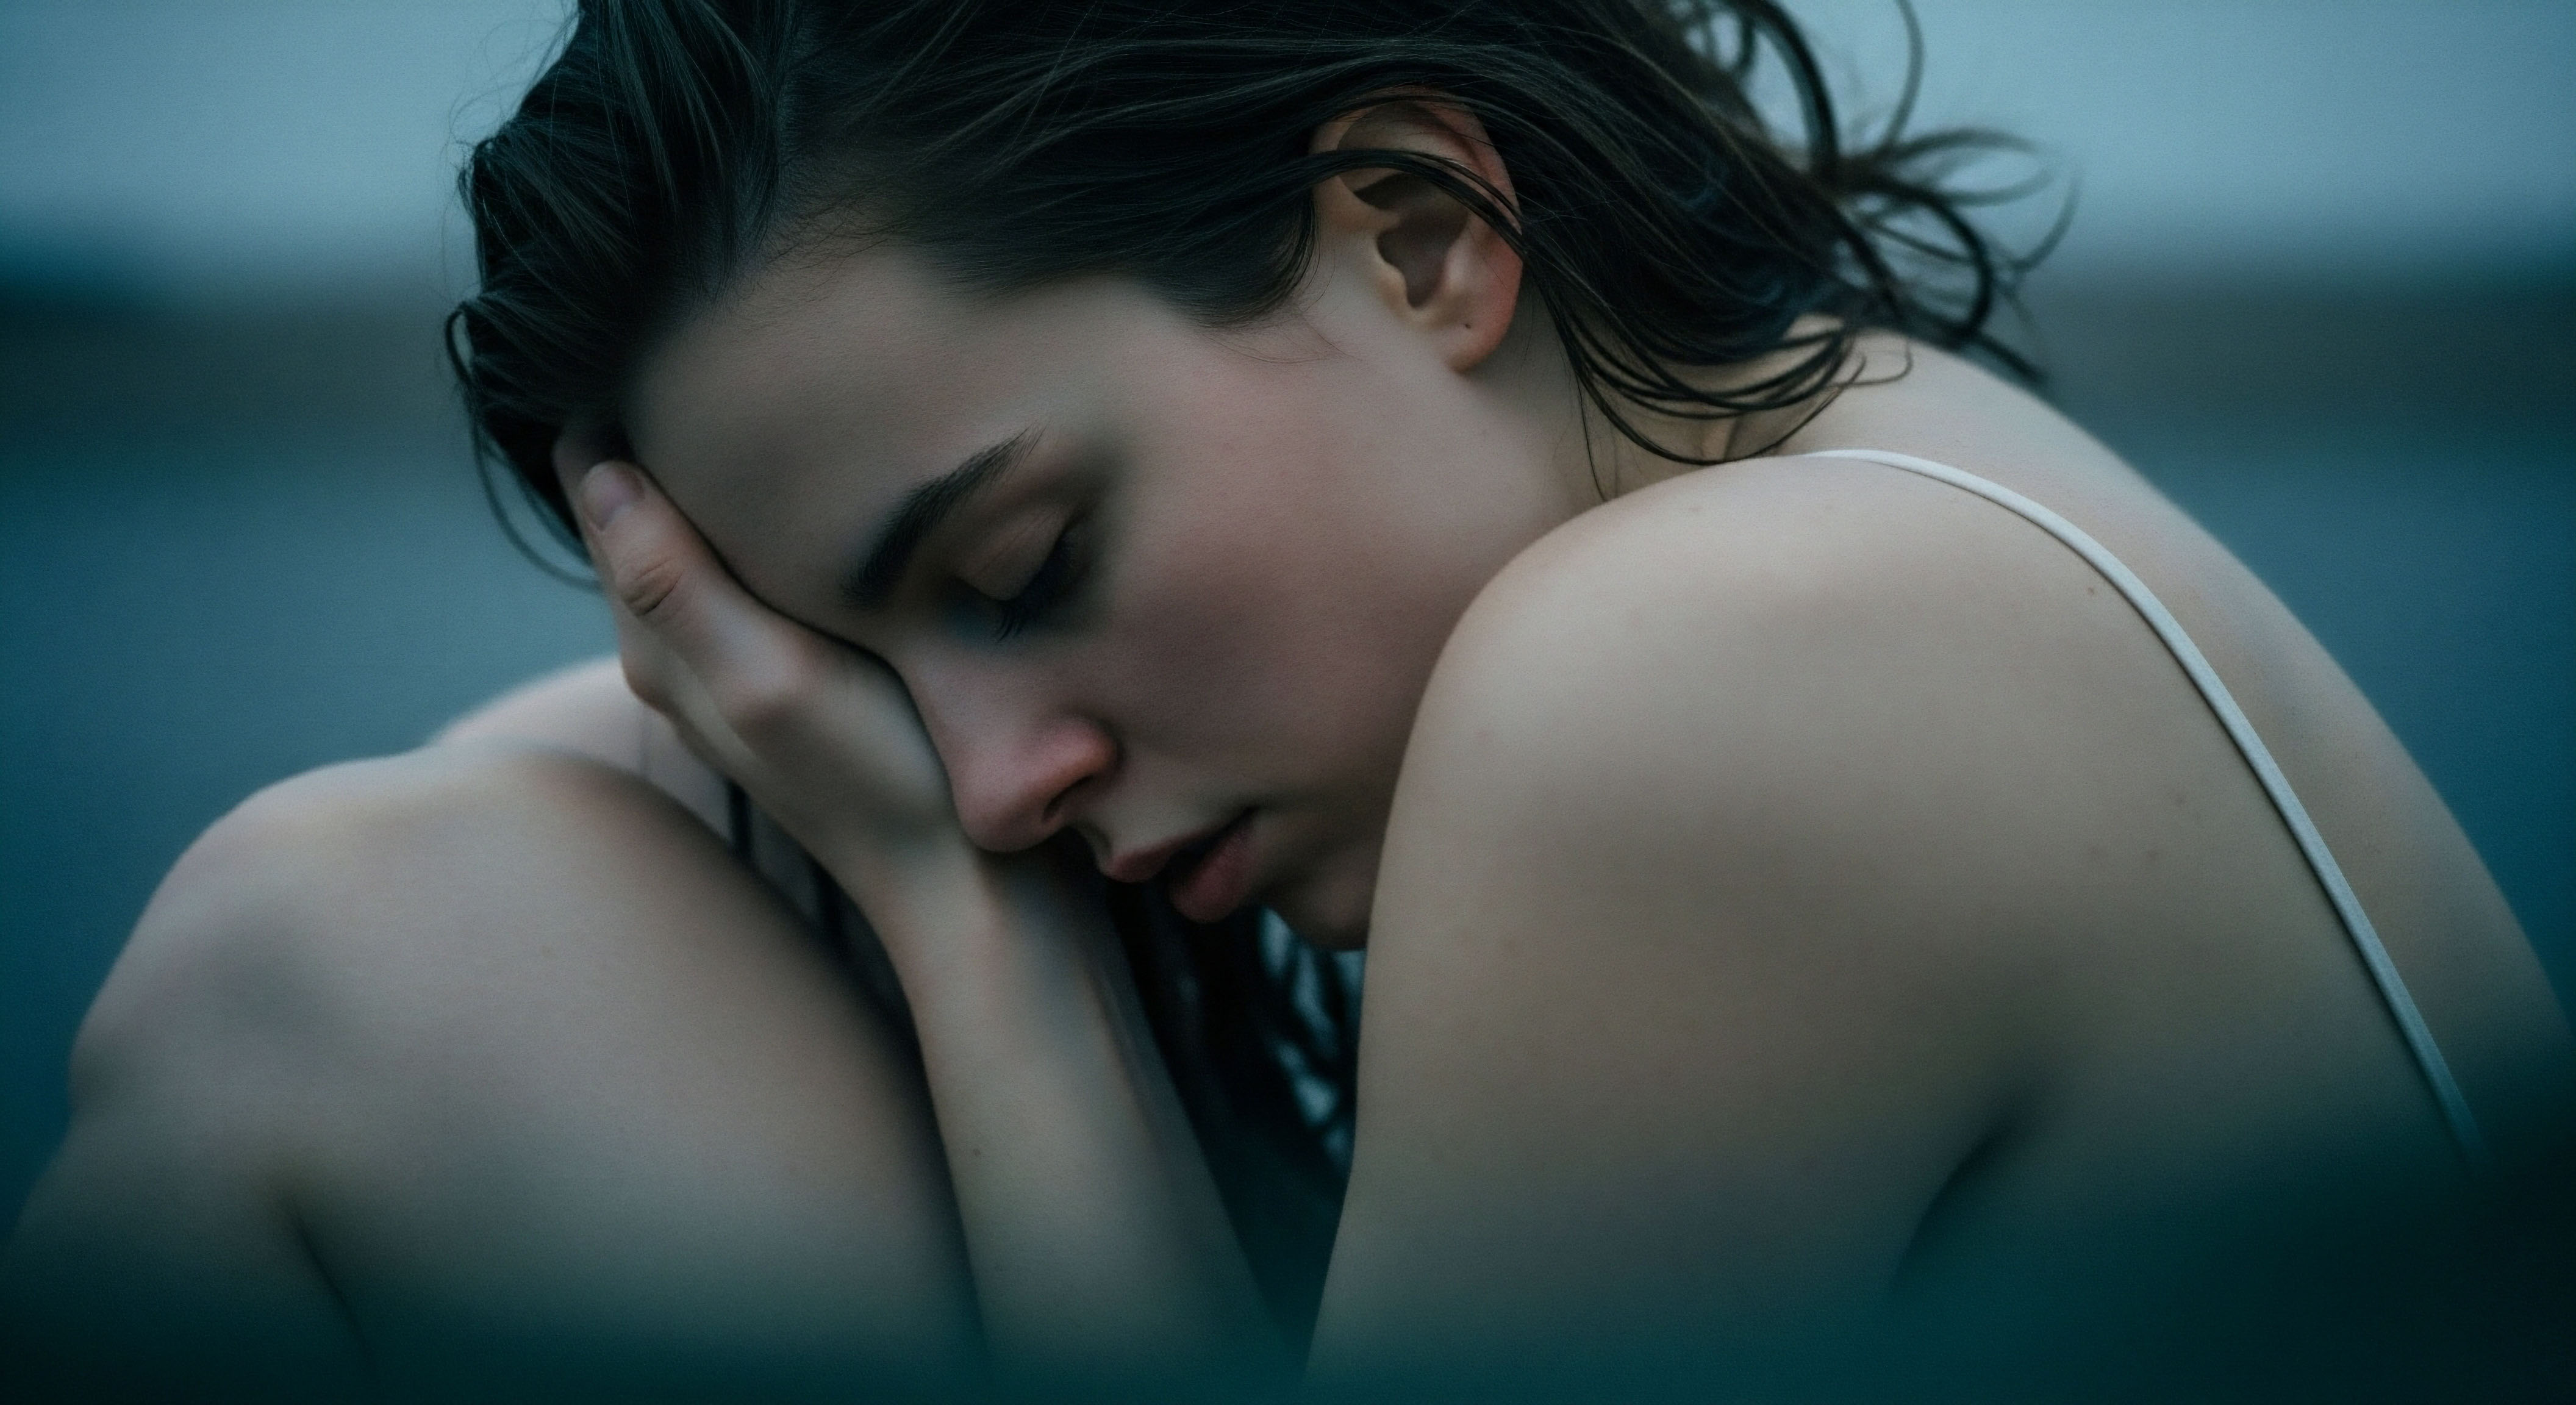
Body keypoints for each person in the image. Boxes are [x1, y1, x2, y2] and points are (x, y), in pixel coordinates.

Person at [5, 0, 2571, 1397]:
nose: (1003, 779)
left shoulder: (1708, 671)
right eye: (879, 678)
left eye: (1025, 564)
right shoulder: (1839, 461)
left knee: (304, 974)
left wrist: (960, 929)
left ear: (1418, 237)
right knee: (423, 875)